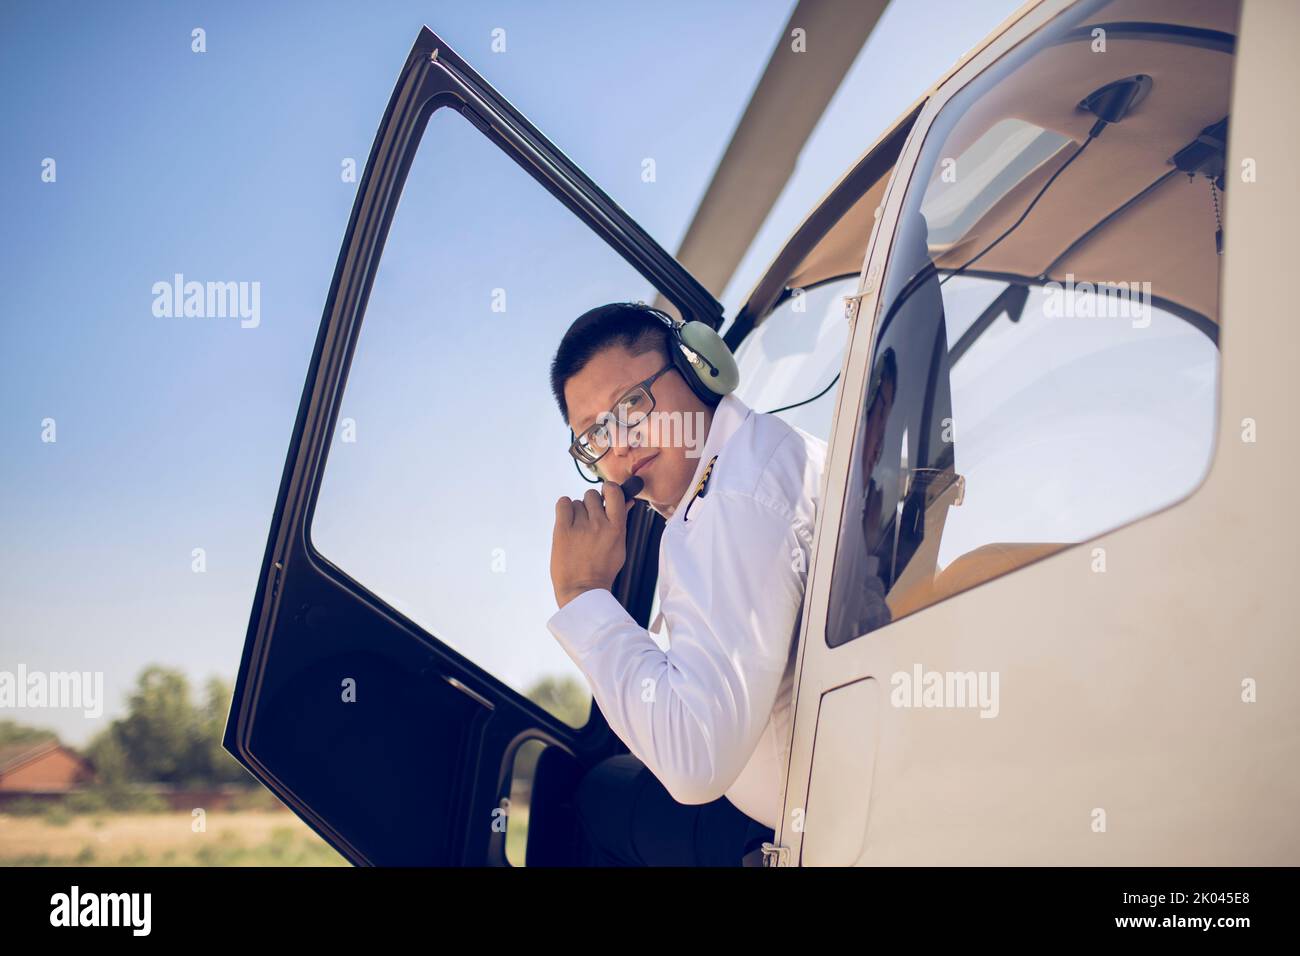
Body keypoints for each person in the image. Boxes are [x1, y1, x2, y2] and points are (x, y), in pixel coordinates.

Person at [546, 301, 826, 865]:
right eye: (595, 436)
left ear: (699, 367)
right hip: (792, 803)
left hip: (807, 829)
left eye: (631, 404)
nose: (619, 445)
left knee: (595, 797)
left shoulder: (732, 502)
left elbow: (694, 758)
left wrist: (583, 596)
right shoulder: (742, 467)